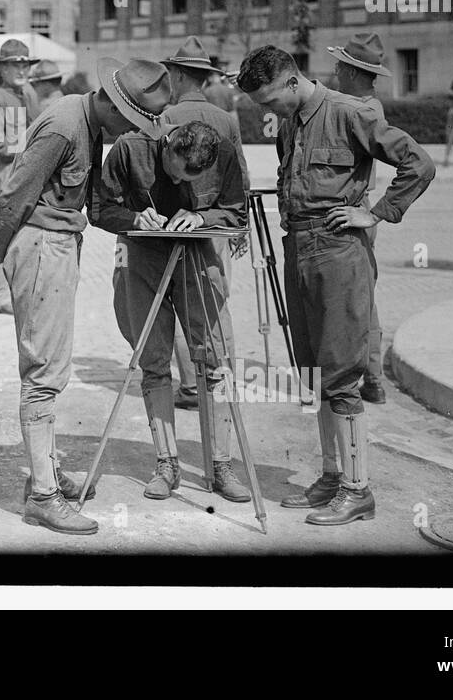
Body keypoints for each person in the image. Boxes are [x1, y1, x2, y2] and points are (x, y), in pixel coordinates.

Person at [236, 45, 435, 526]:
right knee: (314, 373)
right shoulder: (290, 122)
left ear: (291, 81)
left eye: (269, 101)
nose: (267, 112)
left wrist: (378, 212)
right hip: (297, 247)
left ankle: (357, 489)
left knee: (342, 373)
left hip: (339, 252)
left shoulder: (351, 112)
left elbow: (418, 165)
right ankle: (331, 477)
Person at [0, 58, 173, 535]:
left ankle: (47, 471)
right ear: (114, 103)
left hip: (55, 244)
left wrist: (133, 219)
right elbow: (15, 193)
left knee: (50, 366)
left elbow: (93, 204)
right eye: (131, 120)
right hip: (41, 247)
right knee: (45, 372)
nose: (131, 131)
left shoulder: (86, 118)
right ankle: (43, 495)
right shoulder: (66, 125)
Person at [94, 118, 251, 502]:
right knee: (154, 360)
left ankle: (221, 466)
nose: (182, 184)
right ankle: (166, 464)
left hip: (198, 254)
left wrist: (203, 217)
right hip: (143, 255)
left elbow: (236, 211)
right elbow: (98, 208)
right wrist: (132, 218)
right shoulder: (129, 148)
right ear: (167, 146)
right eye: (176, 173)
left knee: (217, 360)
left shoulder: (224, 153)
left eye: (192, 179)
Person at [159, 36, 248, 409]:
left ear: (177, 75)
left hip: (172, 228)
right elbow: (239, 178)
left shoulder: (164, 117)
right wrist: (239, 229)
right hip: (215, 227)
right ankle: (220, 378)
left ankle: (191, 386)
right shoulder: (225, 119)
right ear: (205, 77)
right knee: (214, 303)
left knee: (181, 307)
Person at [327, 32, 393, 405]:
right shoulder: (366, 103)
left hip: (353, 211)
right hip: (357, 209)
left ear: (352, 71)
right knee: (363, 296)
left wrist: (372, 214)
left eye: (340, 66)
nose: (335, 71)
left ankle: (369, 376)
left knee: (359, 299)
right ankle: (372, 376)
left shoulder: (360, 108)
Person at [0, 39, 41, 313]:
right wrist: (28, 148)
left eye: (25, 64)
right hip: (7, 177)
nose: (21, 70)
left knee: (28, 237)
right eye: (14, 65)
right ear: (1, 69)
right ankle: (1, 296)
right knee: (3, 235)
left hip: (29, 177)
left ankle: (21, 293)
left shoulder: (29, 94)